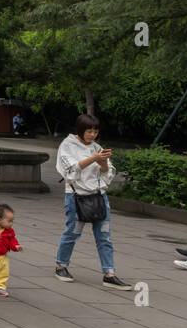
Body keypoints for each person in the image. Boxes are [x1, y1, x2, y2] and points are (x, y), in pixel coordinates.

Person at [55, 114, 131, 289]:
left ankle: (109, 273)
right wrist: (94, 159)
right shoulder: (67, 145)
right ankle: (61, 265)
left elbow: (106, 172)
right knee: (73, 232)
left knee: (104, 236)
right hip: (76, 196)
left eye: (95, 131)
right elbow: (70, 170)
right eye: (89, 131)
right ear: (80, 130)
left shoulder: (97, 147)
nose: (92, 134)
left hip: (98, 196)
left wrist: (103, 161)